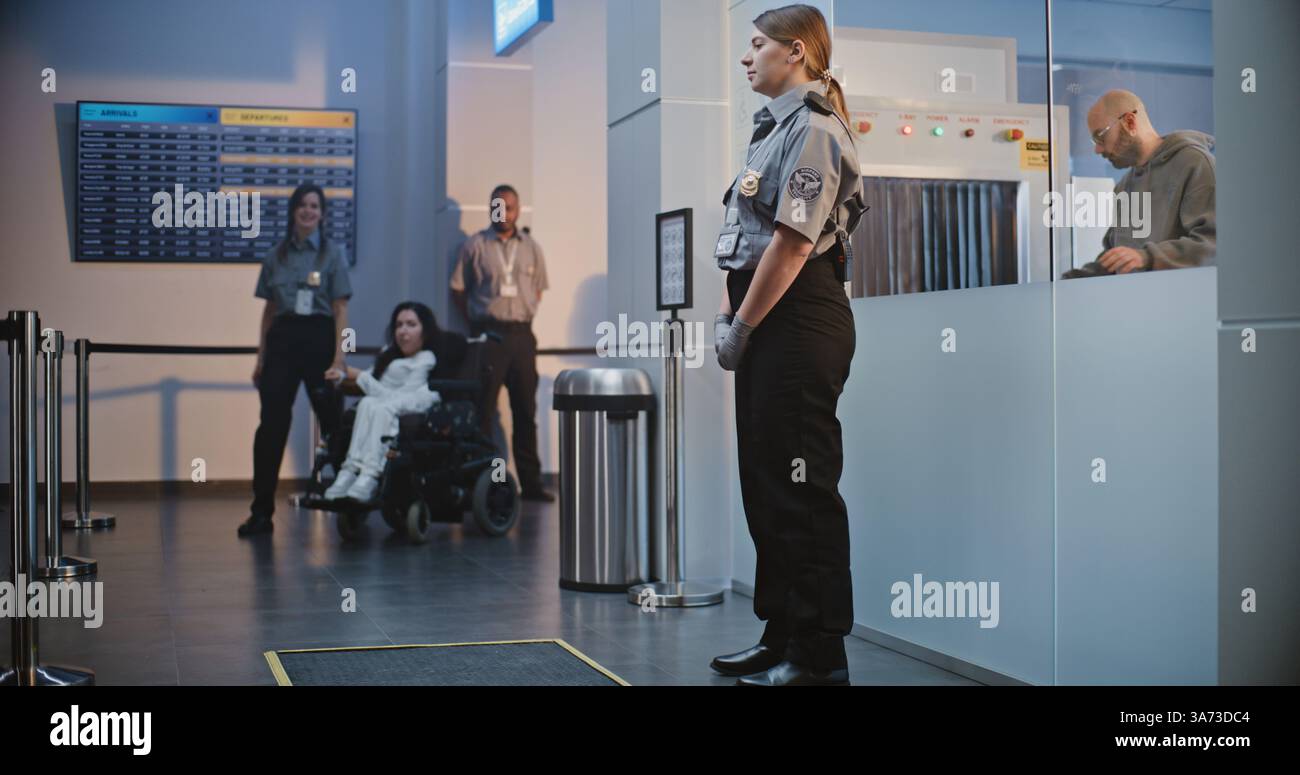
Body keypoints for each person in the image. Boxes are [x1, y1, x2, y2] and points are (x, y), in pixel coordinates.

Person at [709, 4, 865, 686]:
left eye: (757, 46)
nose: (748, 58)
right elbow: (746, 240)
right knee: (770, 484)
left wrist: (741, 327)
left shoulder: (815, 130)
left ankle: (819, 652)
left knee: (803, 489)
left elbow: (794, 243)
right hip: (772, 317)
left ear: (794, 51)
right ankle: (783, 633)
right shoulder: (773, 130)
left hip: (798, 319)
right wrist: (738, 318)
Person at [240, 183, 352, 537]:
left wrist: (340, 357)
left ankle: (354, 505)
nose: (308, 211)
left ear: (321, 213)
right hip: (282, 344)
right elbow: (269, 311)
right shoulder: (276, 256)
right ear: (293, 211)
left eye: (314, 206)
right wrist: (261, 358)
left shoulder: (333, 255)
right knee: (271, 427)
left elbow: (340, 310)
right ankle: (261, 513)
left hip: (319, 340)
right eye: (302, 205)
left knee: (333, 424)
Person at [449, 184, 555, 502]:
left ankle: (532, 485)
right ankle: (484, 481)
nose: (504, 212)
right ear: (490, 209)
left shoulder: (531, 247)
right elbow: (458, 289)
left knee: (525, 411)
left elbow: (537, 290)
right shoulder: (474, 246)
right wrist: (476, 322)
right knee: (483, 412)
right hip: (487, 336)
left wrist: (521, 314)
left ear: (517, 210)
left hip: (522, 336)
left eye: (509, 207)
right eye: (498, 206)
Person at [1063, 89, 1215, 278]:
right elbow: (1117, 258)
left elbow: (1214, 245)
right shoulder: (1125, 186)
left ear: (1129, 122)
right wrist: (1072, 280)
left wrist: (1146, 258)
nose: (1097, 149)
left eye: (1101, 137)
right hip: (1138, 304)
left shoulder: (1195, 163)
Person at [323, 302, 442, 502]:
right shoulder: (388, 353)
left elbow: (398, 398)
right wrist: (344, 376)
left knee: (380, 407)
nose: (403, 331)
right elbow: (370, 381)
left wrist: (361, 376)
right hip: (383, 403)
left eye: (411, 324)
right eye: (399, 325)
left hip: (409, 403)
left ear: (425, 330)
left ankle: (370, 474)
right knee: (368, 403)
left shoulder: (425, 358)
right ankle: (350, 470)